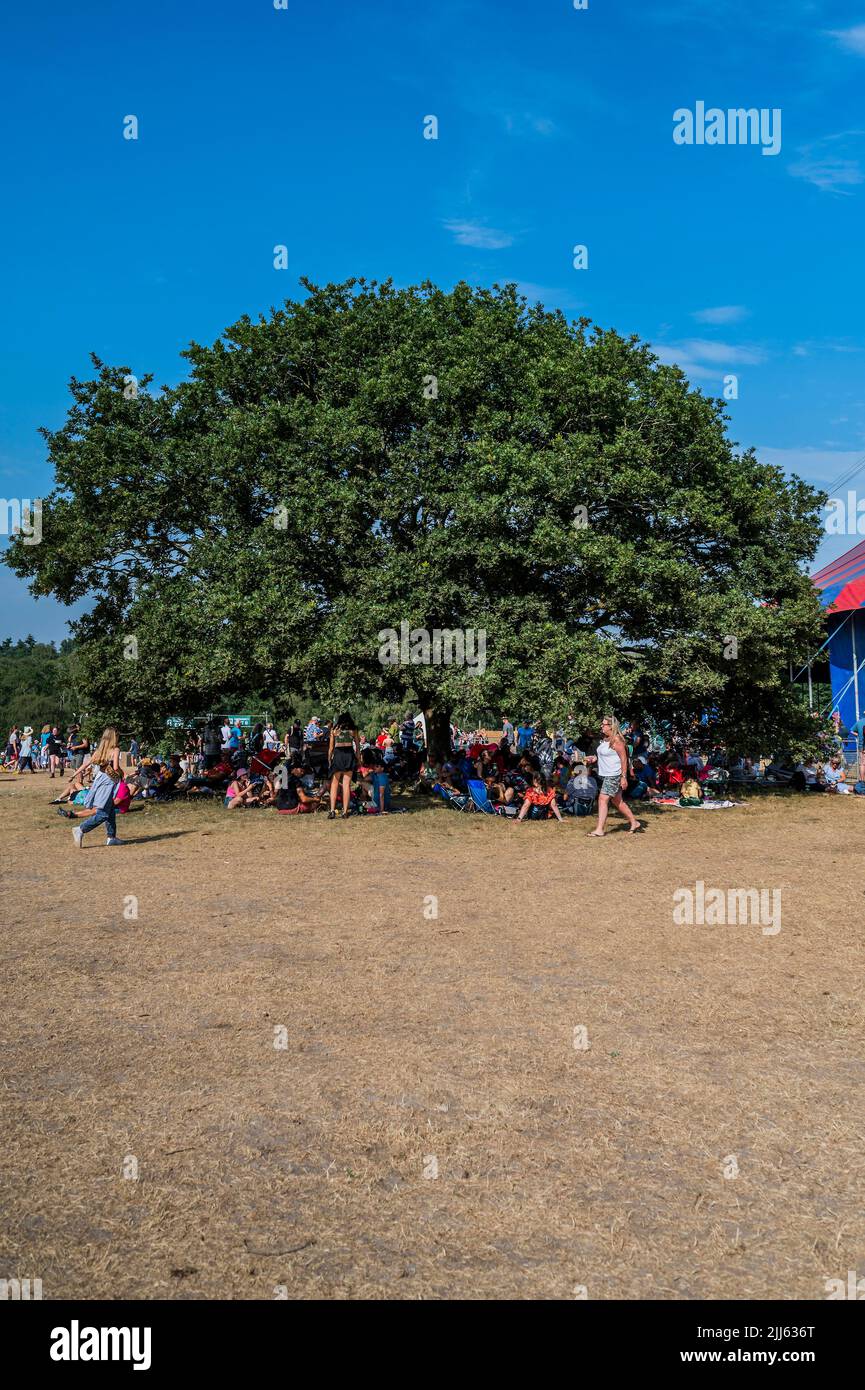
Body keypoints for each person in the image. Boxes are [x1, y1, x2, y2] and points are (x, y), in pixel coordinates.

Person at [588, 715, 643, 836]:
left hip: (614, 775)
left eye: (604, 724)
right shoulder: (606, 739)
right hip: (606, 774)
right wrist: (593, 758)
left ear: (611, 726)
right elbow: (605, 755)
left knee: (602, 799)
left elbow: (624, 759)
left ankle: (599, 829)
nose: (601, 726)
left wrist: (623, 777)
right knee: (618, 801)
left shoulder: (617, 740)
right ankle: (634, 822)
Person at [72, 760, 124, 847]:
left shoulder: (101, 751)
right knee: (103, 814)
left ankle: (111, 838)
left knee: (110, 812)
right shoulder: (114, 749)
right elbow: (115, 767)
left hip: (103, 779)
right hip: (108, 781)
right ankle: (80, 829)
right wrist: (121, 774)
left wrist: (73, 775)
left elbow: (86, 763)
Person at [327, 712, 360, 819]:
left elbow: (331, 748)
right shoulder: (353, 730)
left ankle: (332, 810)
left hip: (338, 755)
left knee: (334, 783)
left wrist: (329, 759)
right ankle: (345, 812)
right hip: (349, 755)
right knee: (346, 784)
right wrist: (359, 759)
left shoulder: (334, 730)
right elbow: (358, 747)